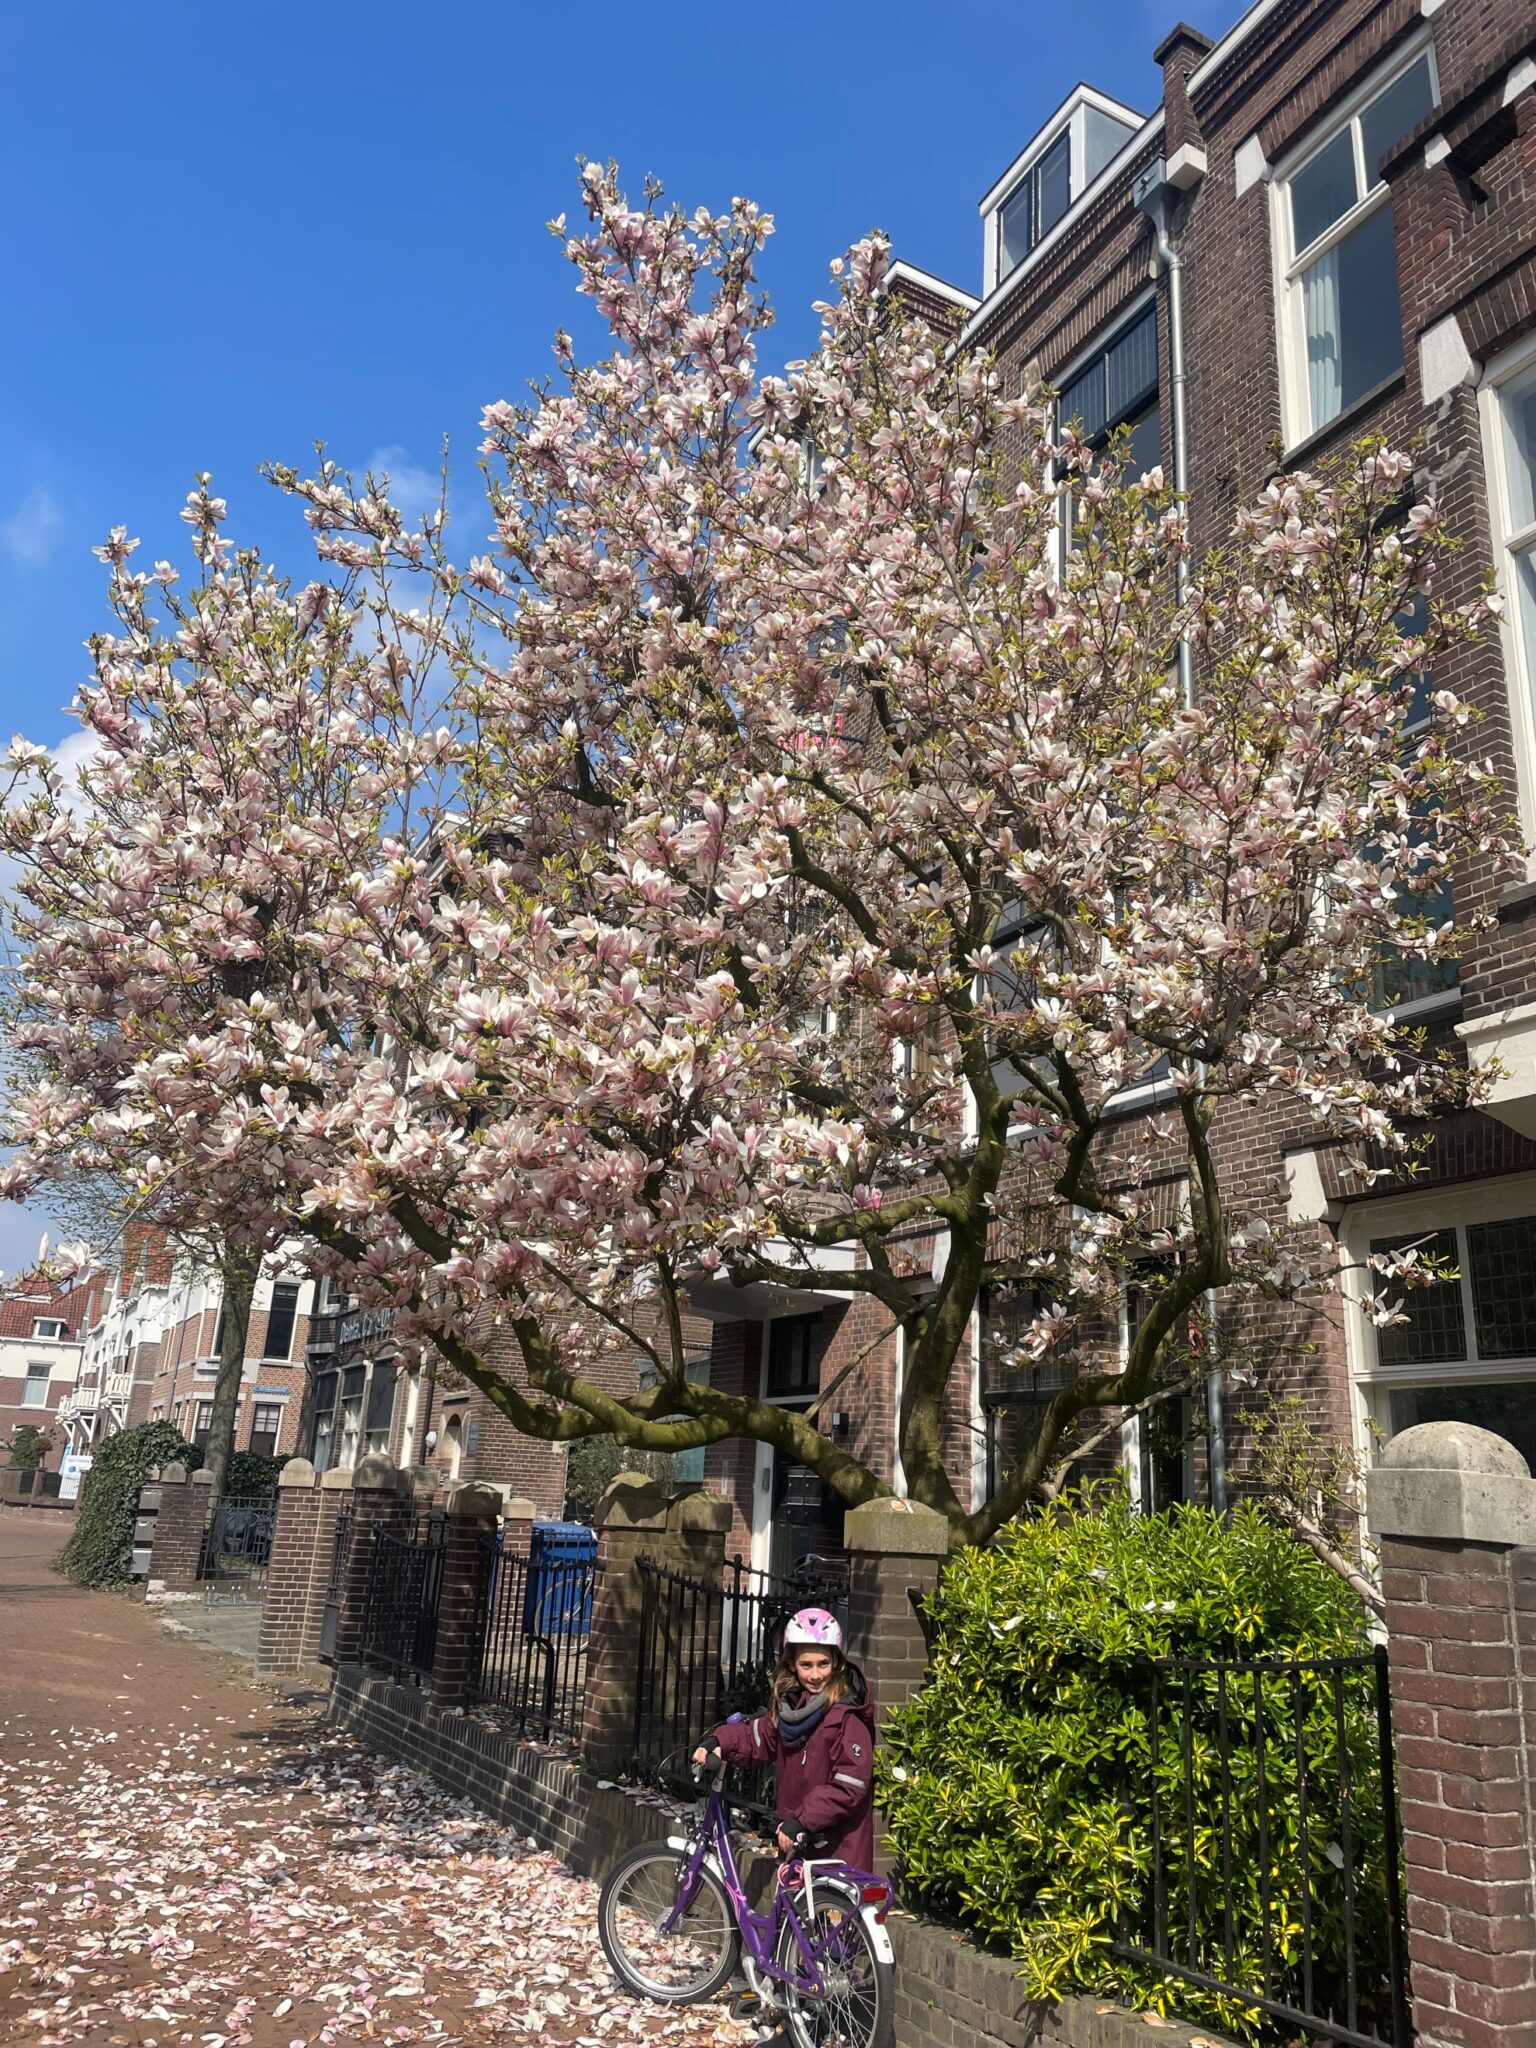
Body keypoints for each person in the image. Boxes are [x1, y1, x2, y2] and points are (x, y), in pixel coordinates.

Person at [693, 1606, 877, 1870]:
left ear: (836, 1663)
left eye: (823, 1664)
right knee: (792, 1909)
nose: (815, 1675)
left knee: (826, 1910)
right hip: (799, 1842)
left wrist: (802, 1819)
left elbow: (849, 1786)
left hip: (836, 1849)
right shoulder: (793, 1710)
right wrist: (719, 1741)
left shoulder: (848, 1717)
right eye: (806, 1665)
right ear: (792, 1664)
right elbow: (758, 1736)